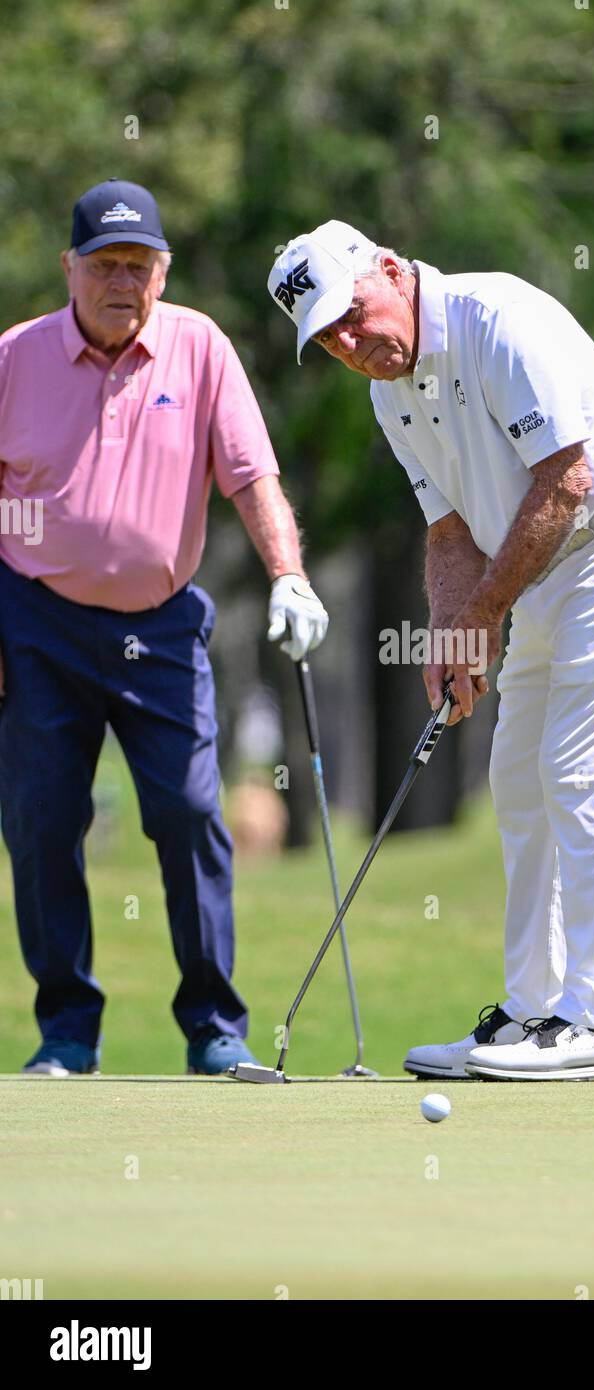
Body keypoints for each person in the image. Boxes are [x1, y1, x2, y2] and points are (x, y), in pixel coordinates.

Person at [267, 220, 594, 1082]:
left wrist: (484, 616)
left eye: (351, 314)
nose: (349, 343)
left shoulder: (496, 320)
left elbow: (569, 478)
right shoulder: (389, 392)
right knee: (518, 780)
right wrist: (454, 630)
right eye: (327, 338)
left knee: (582, 776)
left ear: (388, 269)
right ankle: (533, 1014)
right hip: (543, 574)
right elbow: (450, 530)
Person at [0, 179, 328, 1076]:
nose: (122, 282)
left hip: (163, 626)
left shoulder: (200, 348)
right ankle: (68, 1028)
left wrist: (289, 575)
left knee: (188, 815)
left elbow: (252, 474)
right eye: (105, 264)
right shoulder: (15, 359)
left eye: (139, 266)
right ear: (69, 267)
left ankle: (214, 1027)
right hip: (34, 617)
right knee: (40, 819)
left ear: (163, 272)